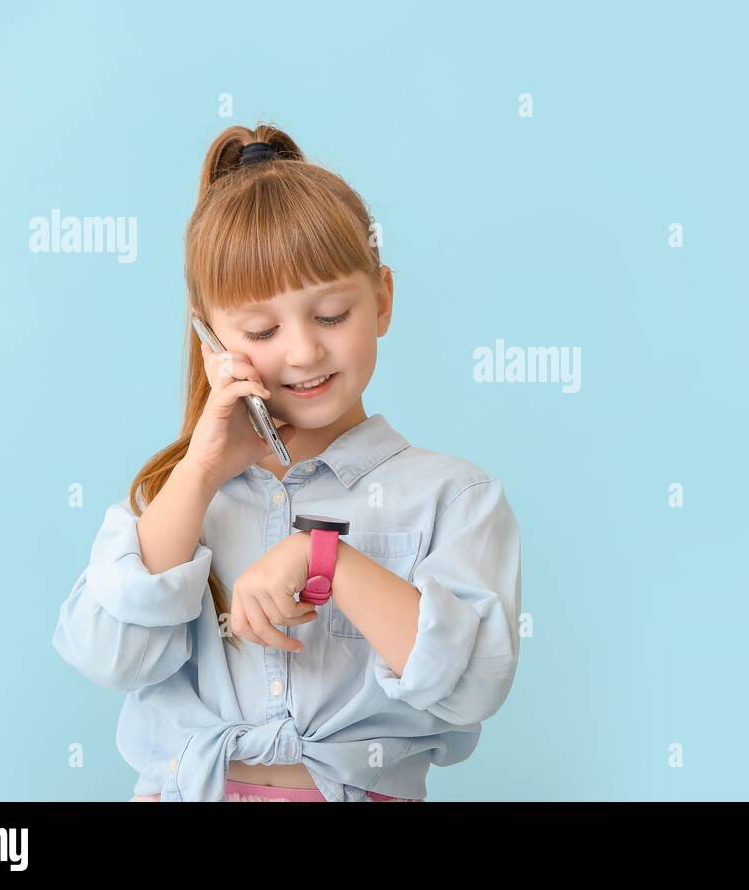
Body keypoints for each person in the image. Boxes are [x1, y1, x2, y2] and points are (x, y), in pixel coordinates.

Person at [52, 124, 523, 801]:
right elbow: (107, 656)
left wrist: (323, 558)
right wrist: (202, 472)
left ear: (382, 298)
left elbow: (475, 683)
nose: (303, 353)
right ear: (210, 337)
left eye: (332, 314)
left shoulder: (456, 496)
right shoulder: (175, 498)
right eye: (263, 331)